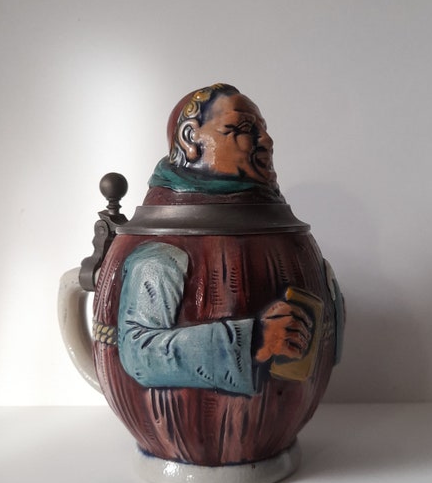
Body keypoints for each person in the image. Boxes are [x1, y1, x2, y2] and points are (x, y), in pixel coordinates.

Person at [116, 84, 318, 396]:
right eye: (244, 128)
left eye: (263, 129)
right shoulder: (162, 252)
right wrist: (255, 340)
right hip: (184, 424)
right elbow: (138, 353)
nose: (266, 140)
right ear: (190, 139)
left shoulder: (277, 223)